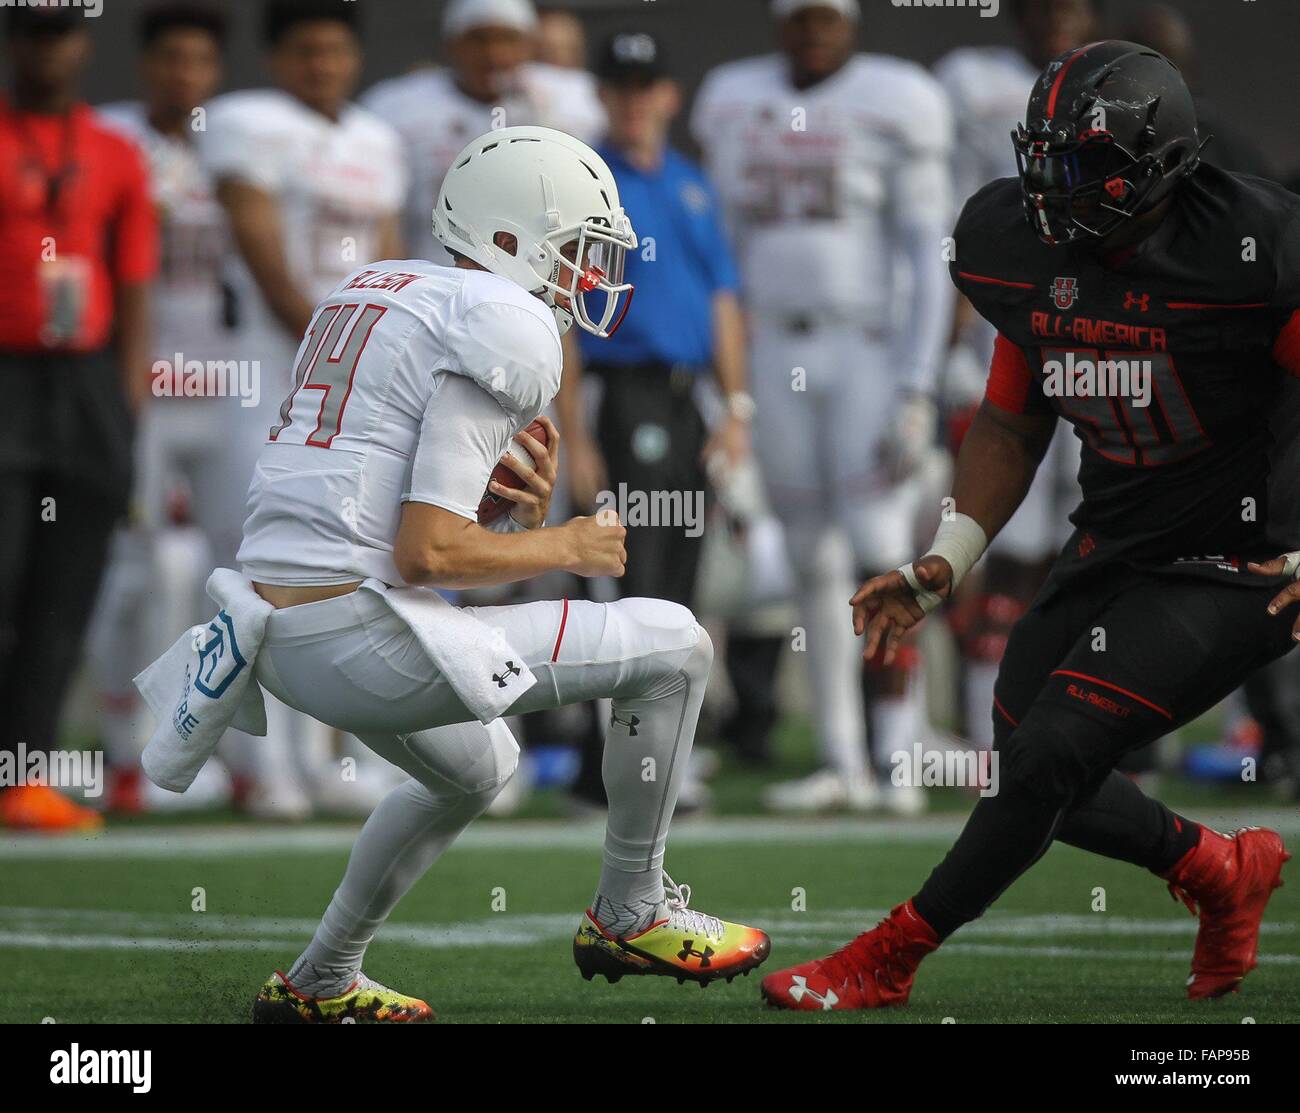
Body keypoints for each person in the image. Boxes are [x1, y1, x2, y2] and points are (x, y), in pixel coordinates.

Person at [157, 124, 774, 1021]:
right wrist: (565, 543)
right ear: (511, 238)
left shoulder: (375, 288)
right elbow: (429, 555)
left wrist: (493, 514)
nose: (589, 278)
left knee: (477, 765)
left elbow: (374, 509)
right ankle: (631, 910)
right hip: (358, 633)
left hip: (273, 626)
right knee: (676, 643)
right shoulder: (506, 319)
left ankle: (319, 979)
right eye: (576, 252)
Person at [761, 42, 1297, 1011]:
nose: (1055, 189)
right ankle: (1218, 868)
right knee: (1027, 755)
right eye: (1044, 160)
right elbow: (1012, 417)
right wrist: (942, 563)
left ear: (1162, 168)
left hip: (1239, 555)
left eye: (1085, 167)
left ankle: (891, 954)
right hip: (1116, 536)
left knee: (1052, 751)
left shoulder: (1247, 251)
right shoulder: (1019, 247)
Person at [691, 0, 954, 814]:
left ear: (852, 23)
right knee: (808, 557)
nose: (813, 32)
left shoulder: (897, 96)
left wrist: (916, 382)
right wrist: (721, 389)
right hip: (771, 348)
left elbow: (927, 248)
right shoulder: (732, 98)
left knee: (880, 546)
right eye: (800, 19)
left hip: (863, 345)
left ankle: (900, 748)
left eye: (826, 19)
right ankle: (844, 758)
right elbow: (720, 251)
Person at [199, 0, 408, 818]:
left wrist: (376, 358)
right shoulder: (248, 123)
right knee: (263, 564)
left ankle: (342, 761)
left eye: (334, 50)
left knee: (353, 564)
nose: (321, 65)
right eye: (304, 51)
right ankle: (269, 765)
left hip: (351, 376)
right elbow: (262, 253)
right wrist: (331, 342)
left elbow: (388, 259)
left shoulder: (375, 139)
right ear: (278, 58)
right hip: (266, 369)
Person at [0, 6, 157, 832]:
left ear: (82, 44)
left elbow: (134, 287)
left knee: (64, 593)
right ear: (12, 42)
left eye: (61, 29)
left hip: (87, 383)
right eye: (31, 30)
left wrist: (125, 407)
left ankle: (24, 774)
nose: (47, 45)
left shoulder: (113, 152)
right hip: (7, 372)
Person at [934, 0, 1098, 751]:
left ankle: (1075, 720)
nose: (1055, 18)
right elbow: (952, 222)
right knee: (1001, 538)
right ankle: (985, 729)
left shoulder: (1112, 81)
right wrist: (949, 342)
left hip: (1098, 327)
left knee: (1079, 534)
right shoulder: (971, 80)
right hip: (1013, 326)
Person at [91, 2, 235, 815]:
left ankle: (228, 751)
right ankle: (125, 749)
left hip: (224, 388)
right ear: (145, 63)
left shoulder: (237, 142)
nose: (184, 75)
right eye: (170, 58)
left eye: (199, 60)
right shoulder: (111, 139)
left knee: (238, 574)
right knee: (138, 570)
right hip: (140, 386)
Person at [361, 0, 604, 264]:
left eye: (509, 39)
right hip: (438, 274)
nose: (495, 54)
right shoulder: (399, 107)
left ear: (529, 45)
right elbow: (382, 213)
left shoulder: (571, 99)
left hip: (537, 276)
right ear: (452, 44)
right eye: (479, 40)